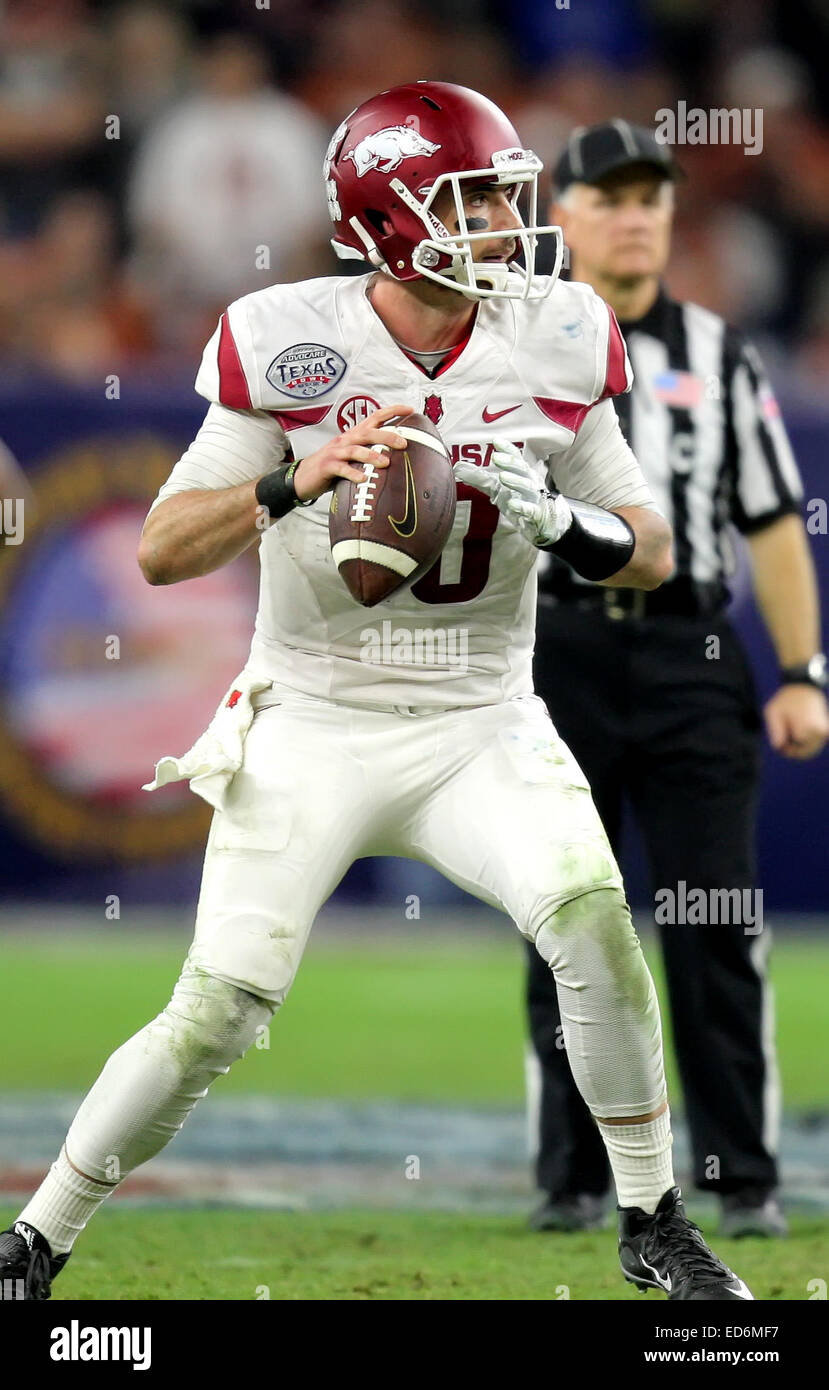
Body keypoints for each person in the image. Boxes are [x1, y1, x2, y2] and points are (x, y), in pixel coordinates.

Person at [1, 83, 752, 1302]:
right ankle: (36, 1238)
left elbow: (653, 545)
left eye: (510, 197)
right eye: (480, 200)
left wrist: (561, 518)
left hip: (480, 717)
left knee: (592, 918)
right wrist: (295, 481)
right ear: (395, 217)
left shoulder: (558, 330)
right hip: (312, 713)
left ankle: (651, 1217)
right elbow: (161, 546)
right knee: (220, 1007)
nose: (511, 224)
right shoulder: (289, 334)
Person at [525, 120, 828, 1240]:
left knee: (713, 914)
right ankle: (571, 1174)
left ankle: (739, 1170)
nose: (634, 214)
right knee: (564, 918)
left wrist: (800, 669)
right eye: (608, 196)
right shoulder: (512, 341)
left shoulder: (718, 348)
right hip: (557, 646)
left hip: (692, 650)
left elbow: (772, 522)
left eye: (650, 196)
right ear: (560, 213)